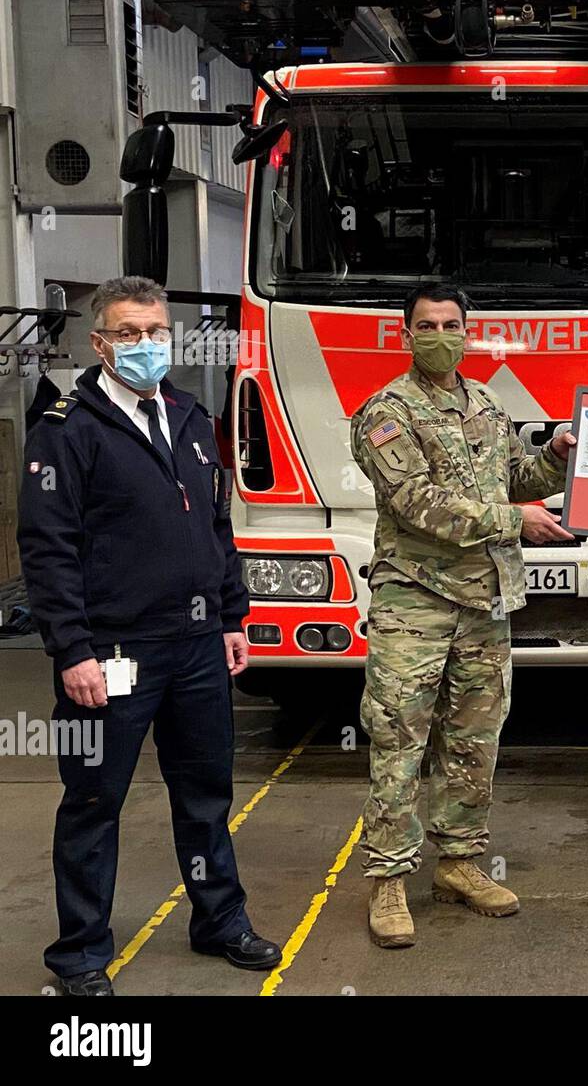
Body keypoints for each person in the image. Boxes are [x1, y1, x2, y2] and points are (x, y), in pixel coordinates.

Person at [18, 276, 282, 996]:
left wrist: (232, 616)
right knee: (94, 803)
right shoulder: (68, 429)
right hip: (112, 653)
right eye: (129, 333)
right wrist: (71, 650)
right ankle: (79, 953)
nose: (146, 345)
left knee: (205, 794)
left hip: (198, 647)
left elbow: (215, 526)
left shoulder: (190, 416)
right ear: (100, 342)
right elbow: (48, 549)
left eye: (157, 331)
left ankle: (219, 920)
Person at [350, 284, 575, 947]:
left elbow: (516, 481)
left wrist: (556, 460)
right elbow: (417, 502)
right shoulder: (385, 413)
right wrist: (516, 521)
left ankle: (458, 864)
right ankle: (389, 879)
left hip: (484, 602)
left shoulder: (486, 404)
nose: (440, 334)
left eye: (451, 324)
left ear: (468, 332)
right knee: (400, 740)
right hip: (415, 601)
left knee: (475, 742)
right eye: (427, 325)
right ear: (406, 334)